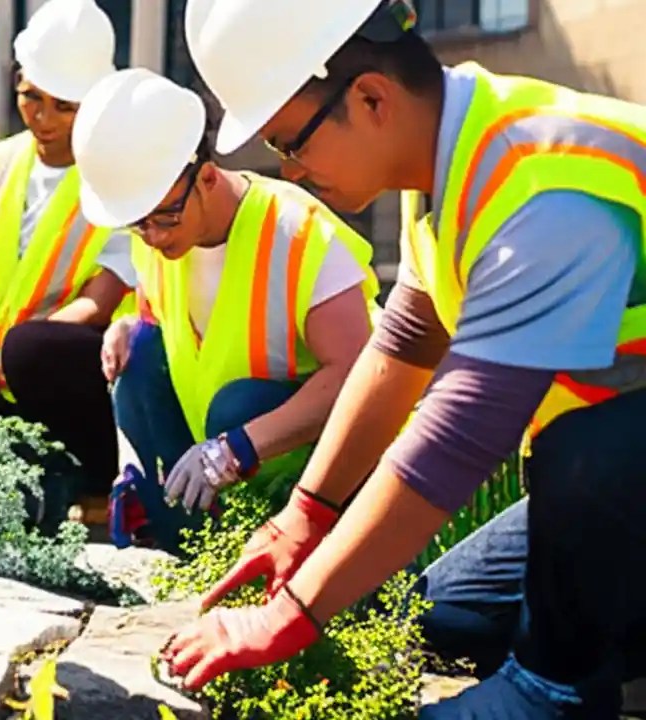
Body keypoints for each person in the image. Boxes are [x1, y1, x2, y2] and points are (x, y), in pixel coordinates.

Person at [162, 0, 646, 716]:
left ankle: (557, 691)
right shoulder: (453, 168)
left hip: (611, 469)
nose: (288, 172)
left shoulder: (545, 192)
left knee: (587, 455)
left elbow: (456, 436)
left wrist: (288, 613)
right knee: (440, 618)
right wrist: (305, 516)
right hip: (600, 486)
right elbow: (400, 350)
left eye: (291, 142)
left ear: (370, 98)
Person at [72, 68, 378, 553]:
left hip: (314, 473)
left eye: (162, 218)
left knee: (236, 406)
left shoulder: (298, 235)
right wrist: (129, 328)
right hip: (218, 458)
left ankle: (284, 549)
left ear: (207, 178)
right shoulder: (156, 239)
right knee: (140, 353)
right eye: (137, 225)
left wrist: (236, 448)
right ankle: (188, 547)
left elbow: (359, 375)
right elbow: (166, 334)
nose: (152, 236)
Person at [0, 0, 134, 496]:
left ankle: (94, 481)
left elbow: (97, 303)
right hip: (9, 373)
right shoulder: (1, 162)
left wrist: (3, 363)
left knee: (30, 351)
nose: (43, 118)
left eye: (64, 106)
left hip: (96, 377)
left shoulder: (121, 172)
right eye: (30, 97)